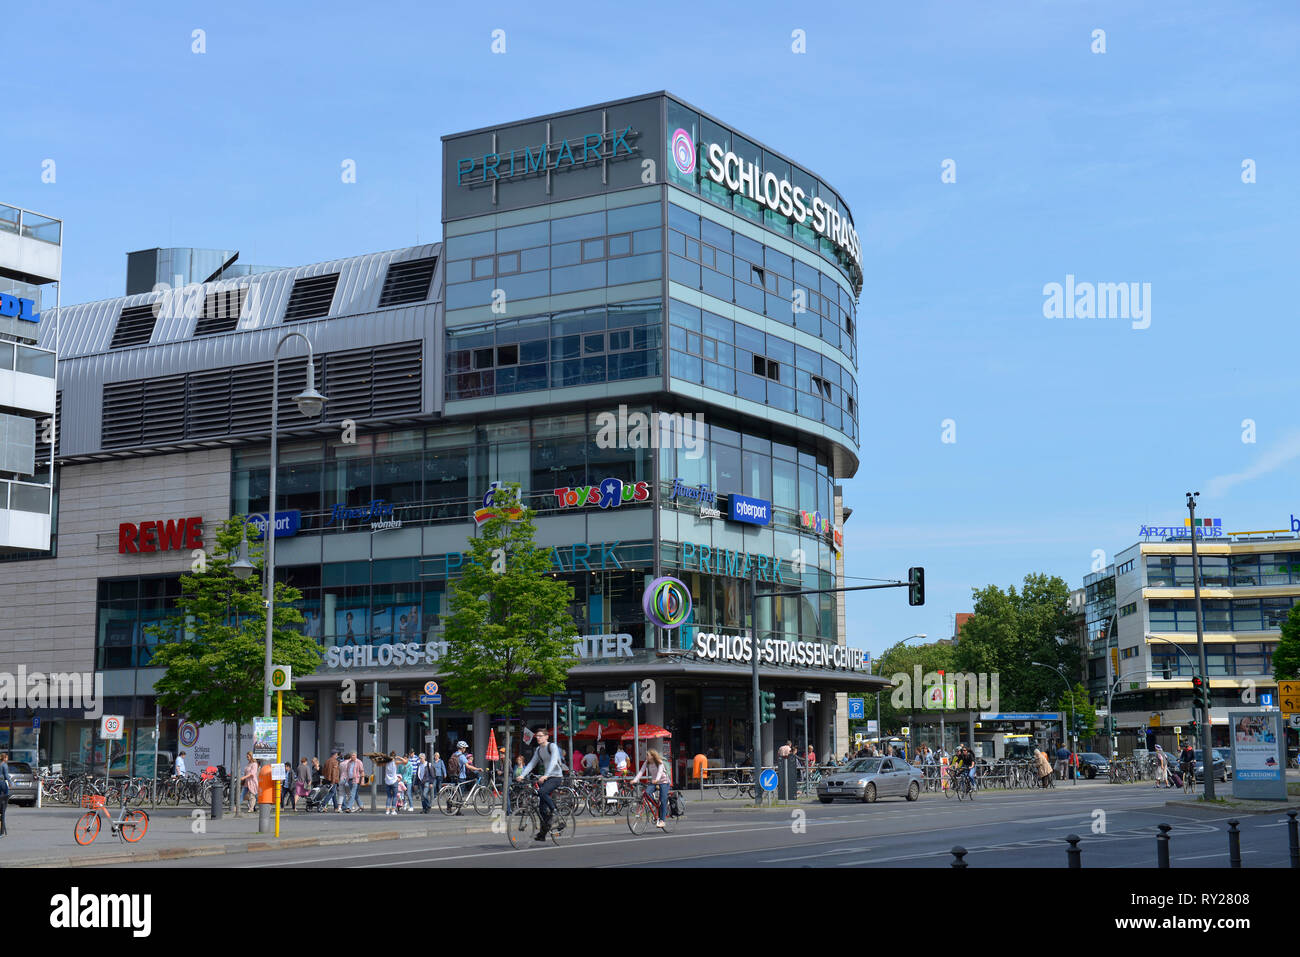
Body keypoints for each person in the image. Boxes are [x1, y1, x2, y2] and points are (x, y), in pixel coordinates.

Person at [517, 729, 566, 841]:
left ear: (546, 737)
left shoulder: (552, 746)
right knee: (542, 808)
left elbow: (554, 761)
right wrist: (522, 775)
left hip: (556, 777)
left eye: (540, 736)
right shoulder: (539, 749)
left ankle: (555, 812)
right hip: (546, 777)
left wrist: (546, 775)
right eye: (537, 736)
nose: (538, 738)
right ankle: (543, 834)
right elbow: (532, 763)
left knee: (542, 792)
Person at [632, 748, 673, 829]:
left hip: (664, 782)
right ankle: (656, 805)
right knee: (646, 793)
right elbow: (641, 771)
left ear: (652, 756)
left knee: (663, 799)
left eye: (648, 755)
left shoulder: (659, 762)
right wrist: (635, 780)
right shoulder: (647, 762)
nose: (646, 757)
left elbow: (660, 772)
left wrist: (657, 779)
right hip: (655, 782)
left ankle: (662, 821)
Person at [0, 752, 11, 837]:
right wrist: (10, 783)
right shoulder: (4, 765)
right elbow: (6, 775)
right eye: (7, 758)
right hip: (2, 782)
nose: (7, 759)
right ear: (4, 758)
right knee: (6, 797)